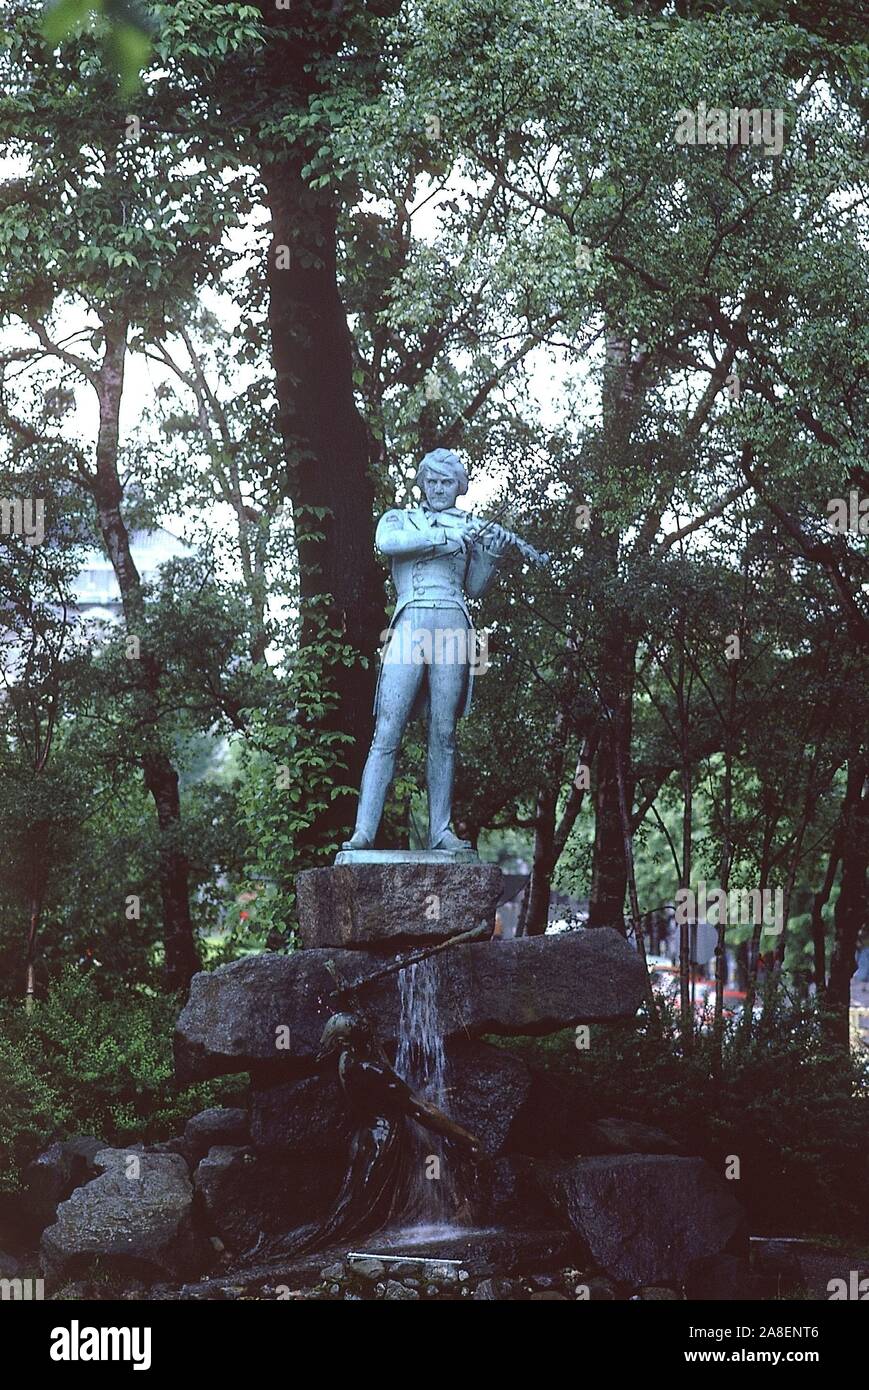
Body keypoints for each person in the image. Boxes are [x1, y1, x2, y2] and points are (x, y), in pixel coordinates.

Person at [342, 448, 509, 852]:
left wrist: (491, 553)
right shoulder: (402, 518)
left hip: (453, 621)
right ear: (421, 482)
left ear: (459, 487)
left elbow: (474, 588)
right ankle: (364, 830)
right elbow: (388, 543)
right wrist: (444, 536)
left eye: (446, 482)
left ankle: (441, 831)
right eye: (431, 480)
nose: (437, 488)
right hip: (410, 620)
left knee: (444, 731)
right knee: (388, 727)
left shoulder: (469, 526)